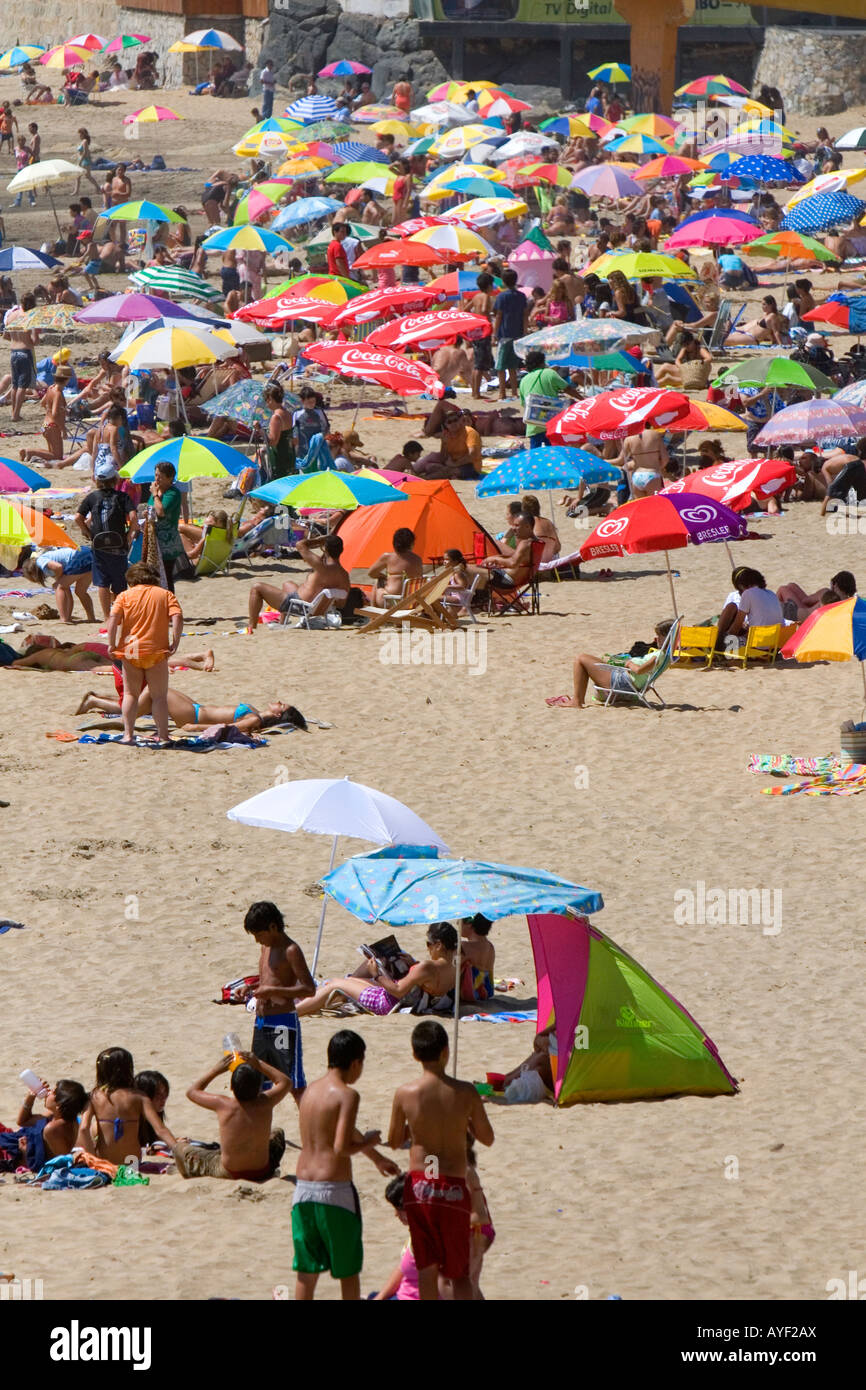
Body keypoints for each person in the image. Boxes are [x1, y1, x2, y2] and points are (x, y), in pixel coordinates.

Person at [387, 1020, 494, 1301]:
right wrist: (462, 1123)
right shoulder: (466, 1092)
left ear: (414, 1055)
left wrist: (417, 1128)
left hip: (421, 1185)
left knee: (427, 1267)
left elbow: (395, 1140)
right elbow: (487, 1138)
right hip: (452, 1185)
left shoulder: (404, 1093)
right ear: (446, 1052)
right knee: (458, 1272)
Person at [293, 1030, 400, 1301]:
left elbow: (337, 1130)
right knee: (348, 1271)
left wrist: (376, 1158)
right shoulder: (347, 1095)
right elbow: (341, 1147)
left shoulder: (309, 1093)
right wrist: (369, 1142)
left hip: (303, 1189)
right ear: (355, 1063)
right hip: (334, 1191)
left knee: (307, 1272)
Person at [296, 921, 459, 1019]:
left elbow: (397, 990)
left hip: (388, 1003)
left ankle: (291, 1012)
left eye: (429, 944)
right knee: (349, 981)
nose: (428, 948)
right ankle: (310, 1000)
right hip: (417, 1001)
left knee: (335, 984)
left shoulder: (427, 967)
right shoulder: (455, 966)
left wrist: (377, 974)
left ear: (439, 945)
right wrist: (412, 963)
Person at [239, 901, 315, 1103]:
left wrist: (273, 990)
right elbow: (269, 976)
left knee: (293, 1083)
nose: (257, 940)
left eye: (259, 934)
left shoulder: (291, 950)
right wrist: (250, 987)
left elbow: (309, 989)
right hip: (261, 1022)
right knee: (259, 1082)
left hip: (283, 1022)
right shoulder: (266, 947)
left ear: (273, 927)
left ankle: (311, 1130)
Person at [173, 1051, 289, 1182]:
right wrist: (259, 1064)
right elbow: (285, 1082)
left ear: (232, 1088)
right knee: (278, 1133)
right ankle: (271, 1170)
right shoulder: (266, 1101)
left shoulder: (223, 1104)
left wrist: (215, 1071)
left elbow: (191, 1092)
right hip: (262, 1171)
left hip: (229, 1172)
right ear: (259, 1089)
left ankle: (187, 1174)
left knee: (179, 1148)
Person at [106, 562, 183, 745]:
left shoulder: (124, 596)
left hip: (131, 649)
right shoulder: (165, 594)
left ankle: (128, 735)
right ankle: (163, 735)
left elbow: (113, 619)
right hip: (156, 650)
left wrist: (111, 644)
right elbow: (177, 617)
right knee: (159, 696)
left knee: (130, 694)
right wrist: (175, 641)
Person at [77, 1047, 177, 1167]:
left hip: (104, 1161)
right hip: (132, 1162)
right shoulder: (139, 1097)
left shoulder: (94, 1096)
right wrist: (179, 1151)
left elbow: (83, 1128)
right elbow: (160, 1130)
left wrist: (93, 1159)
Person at [75, 459, 139, 619]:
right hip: (119, 544)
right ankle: (119, 614)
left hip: (99, 544)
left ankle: (106, 616)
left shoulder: (92, 497)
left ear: (98, 480)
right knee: (119, 582)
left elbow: (77, 517)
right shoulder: (122, 496)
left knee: (102, 582)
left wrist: (87, 532)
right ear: (115, 480)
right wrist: (130, 533)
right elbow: (133, 516)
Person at [247, 533, 351, 630]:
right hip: (318, 609)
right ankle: (283, 622)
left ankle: (252, 626)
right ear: (341, 550)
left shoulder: (321, 566)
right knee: (288, 584)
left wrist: (319, 540)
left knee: (257, 588)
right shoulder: (344, 575)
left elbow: (300, 544)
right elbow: (341, 603)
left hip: (299, 606)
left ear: (325, 549)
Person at [1, 1077, 88, 1171]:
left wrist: (26, 1153)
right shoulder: (61, 1117)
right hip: (18, 1141)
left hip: (16, 1154)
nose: (49, 1091)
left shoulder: (53, 1128)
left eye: (53, 1092)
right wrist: (31, 1096)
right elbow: (23, 1121)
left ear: (58, 1105)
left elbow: (60, 1162)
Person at [518, 348, 578, 448]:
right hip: (550, 422)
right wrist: (582, 399)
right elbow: (568, 389)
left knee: (536, 456)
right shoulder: (549, 373)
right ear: (541, 362)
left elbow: (524, 403)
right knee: (555, 453)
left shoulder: (524, 380)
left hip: (533, 424)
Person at [715, 566, 784, 652]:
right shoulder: (771, 594)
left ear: (741, 586)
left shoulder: (748, 593)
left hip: (757, 646)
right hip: (775, 645)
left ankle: (717, 641)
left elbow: (736, 626)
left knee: (731, 607)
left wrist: (724, 638)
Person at [21, 547, 96, 623]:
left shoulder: (40, 560)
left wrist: (59, 581)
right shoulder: (49, 568)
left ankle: (64, 618)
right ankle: (91, 618)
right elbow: (67, 593)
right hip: (88, 554)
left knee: (59, 588)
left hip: (78, 556)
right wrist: (69, 616)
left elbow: (58, 566)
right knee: (80, 591)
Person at [492, 268, 528, 400]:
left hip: (505, 334)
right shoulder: (521, 296)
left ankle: (502, 392)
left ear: (503, 281)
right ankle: (514, 392)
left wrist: (494, 334)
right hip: (517, 334)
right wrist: (525, 332)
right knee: (513, 366)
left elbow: (499, 316)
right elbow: (525, 316)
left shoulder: (502, 296)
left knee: (501, 366)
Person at [149, 462, 185, 591]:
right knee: (155, 577)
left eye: (160, 476)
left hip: (168, 543)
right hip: (154, 540)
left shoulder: (173, 493)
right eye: (156, 475)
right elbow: (150, 509)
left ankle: (170, 605)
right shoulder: (156, 491)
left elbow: (160, 511)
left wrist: (154, 494)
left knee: (167, 576)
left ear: (170, 478)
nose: (157, 479)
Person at [368, 527, 424, 605]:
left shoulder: (388, 557)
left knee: (378, 581)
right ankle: (375, 615)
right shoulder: (418, 559)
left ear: (394, 543)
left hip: (390, 601)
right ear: (411, 543)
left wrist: (383, 576)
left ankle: (374, 614)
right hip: (411, 603)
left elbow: (371, 573)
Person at [6, 292, 39, 422]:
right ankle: (16, 415)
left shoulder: (12, 315)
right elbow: (34, 340)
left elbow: (6, 336)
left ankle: (13, 412)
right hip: (25, 352)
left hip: (13, 352)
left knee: (15, 385)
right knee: (22, 385)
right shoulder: (29, 317)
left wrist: (17, 338)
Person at [776, 570, 856, 622]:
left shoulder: (827, 593)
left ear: (835, 584)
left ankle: (774, 619)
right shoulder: (849, 603)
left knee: (783, 589)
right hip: (811, 616)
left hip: (801, 616)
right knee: (791, 585)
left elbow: (806, 600)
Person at [459, 914, 495, 1002]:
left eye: (460, 923)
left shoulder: (465, 946)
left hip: (472, 993)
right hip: (488, 990)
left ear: (469, 925)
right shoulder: (490, 946)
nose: (458, 925)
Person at [263, 382, 294, 477]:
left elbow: (273, 441)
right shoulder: (288, 413)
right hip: (289, 455)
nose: (266, 404)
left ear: (270, 399)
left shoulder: (276, 417)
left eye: (266, 400)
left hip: (279, 458)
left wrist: (260, 430)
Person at [292, 387, 330, 459]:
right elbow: (294, 431)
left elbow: (326, 427)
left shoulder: (319, 412)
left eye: (313, 402)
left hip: (318, 447)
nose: (312, 404)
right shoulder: (297, 413)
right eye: (309, 402)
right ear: (302, 401)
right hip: (303, 447)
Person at [521, 493, 560, 562]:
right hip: (552, 561)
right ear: (538, 507)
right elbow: (558, 547)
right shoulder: (549, 522)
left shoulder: (528, 525)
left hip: (536, 564)